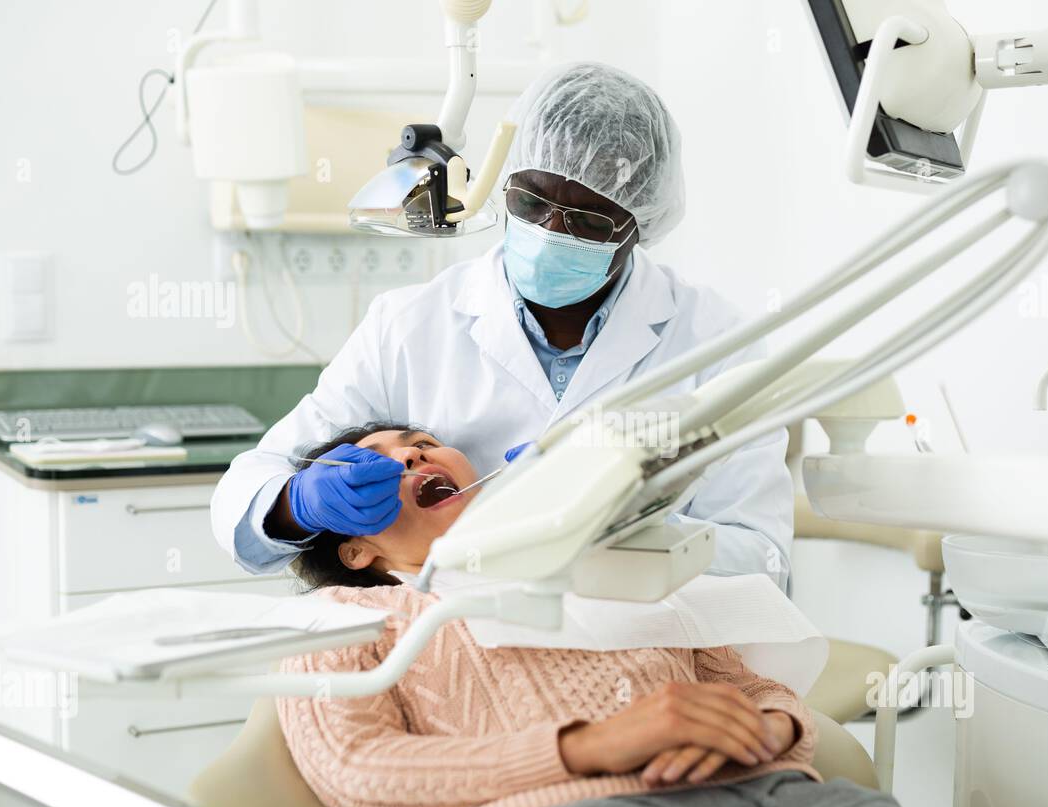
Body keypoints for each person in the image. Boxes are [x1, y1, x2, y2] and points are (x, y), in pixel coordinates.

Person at [275, 423, 983, 807]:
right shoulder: (346, 613)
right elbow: (361, 779)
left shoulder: (609, 566)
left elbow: (748, 686)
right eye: (376, 462)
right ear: (355, 548)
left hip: (774, 796)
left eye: (423, 443)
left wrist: (767, 727)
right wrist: (587, 746)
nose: (412, 454)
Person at [210, 62, 794, 590]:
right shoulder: (409, 326)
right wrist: (300, 503)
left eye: (590, 217)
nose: (551, 230)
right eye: (533, 200)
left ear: (642, 220)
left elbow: (763, 558)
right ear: (503, 183)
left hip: (647, 653)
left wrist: (607, 527)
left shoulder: (718, 344)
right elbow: (249, 489)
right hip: (453, 637)